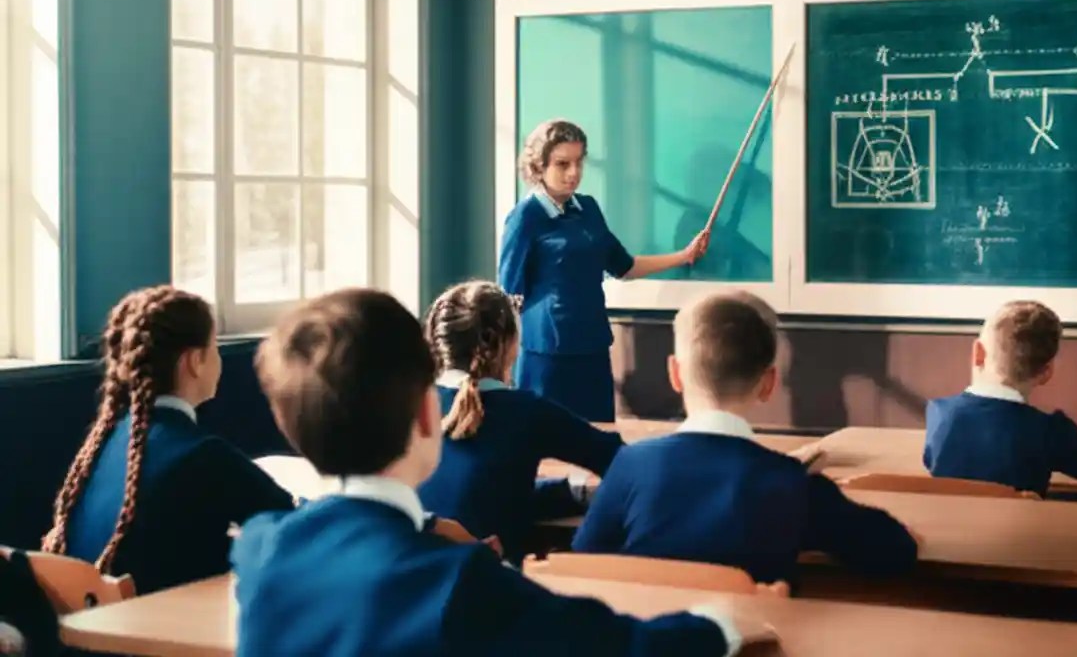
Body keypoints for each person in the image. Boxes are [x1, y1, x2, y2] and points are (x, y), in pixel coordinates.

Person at [233, 287, 773, 656]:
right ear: (427, 414)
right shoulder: (462, 579)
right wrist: (722, 622)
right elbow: (616, 647)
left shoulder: (259, 549)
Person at [572, 291, 918, 585]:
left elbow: (582, 563)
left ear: (675, 374)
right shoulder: (791, 483)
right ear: (768, 383)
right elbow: (894, 551)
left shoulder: (630, 465)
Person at [42, 286, 293, 594]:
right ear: (194, 361)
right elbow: (293, 527)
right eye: (214, 346)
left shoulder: (102, 446)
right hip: (169, 631)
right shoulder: (203, 456)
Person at [498, 118, 709, 422]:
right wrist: (501, 363)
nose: (573, 173)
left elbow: (623, 266)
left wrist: (684, 255)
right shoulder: (525, 217)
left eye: (579, 162)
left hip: (592, 345)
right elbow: (507, 295)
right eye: (562, 164)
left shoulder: (589, 209)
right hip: (546, 353)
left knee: (599, 437)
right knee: (544, 442)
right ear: (538, 166)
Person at [417, 280, 625, 562]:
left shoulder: (411, 406)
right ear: (507, 341)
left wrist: (567, 493)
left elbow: (473, 490)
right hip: (493, 586)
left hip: (409, 583)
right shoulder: (527, 412)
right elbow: (622, 462)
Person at [924, 300, 1077, 496]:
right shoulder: (1048, 432)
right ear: (1046, 372)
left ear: (978, 353)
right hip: (1018, 549)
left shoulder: (939, 413)